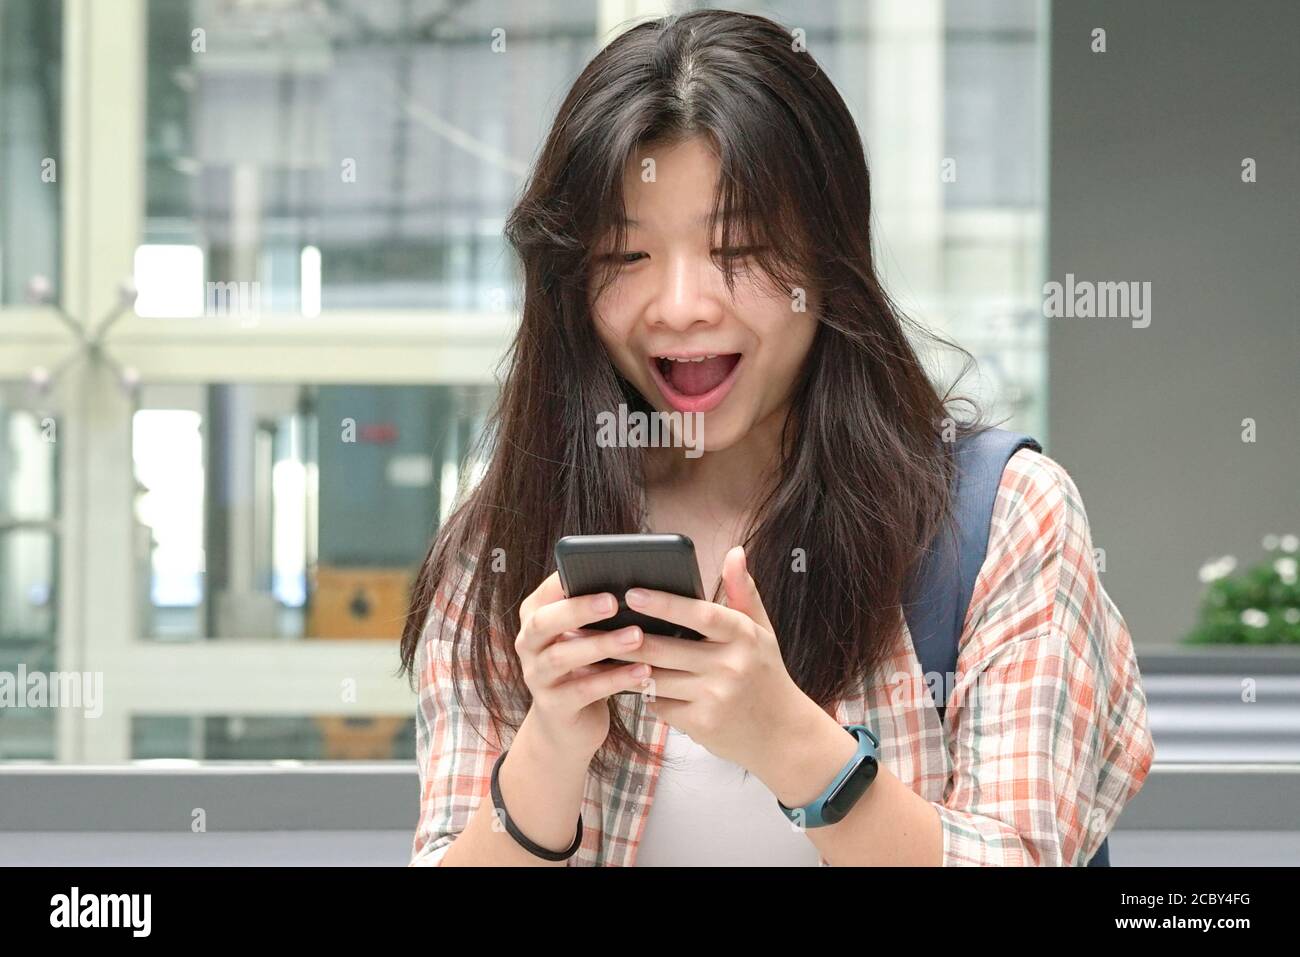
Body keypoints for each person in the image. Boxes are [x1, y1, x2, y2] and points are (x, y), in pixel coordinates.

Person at [399, 8, 1154, 867]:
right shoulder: (498, 550)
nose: (681, 304)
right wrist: (549, 748)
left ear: (829, 268)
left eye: (740, 246)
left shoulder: (1002, 522)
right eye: (625, 256)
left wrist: (787, 739)